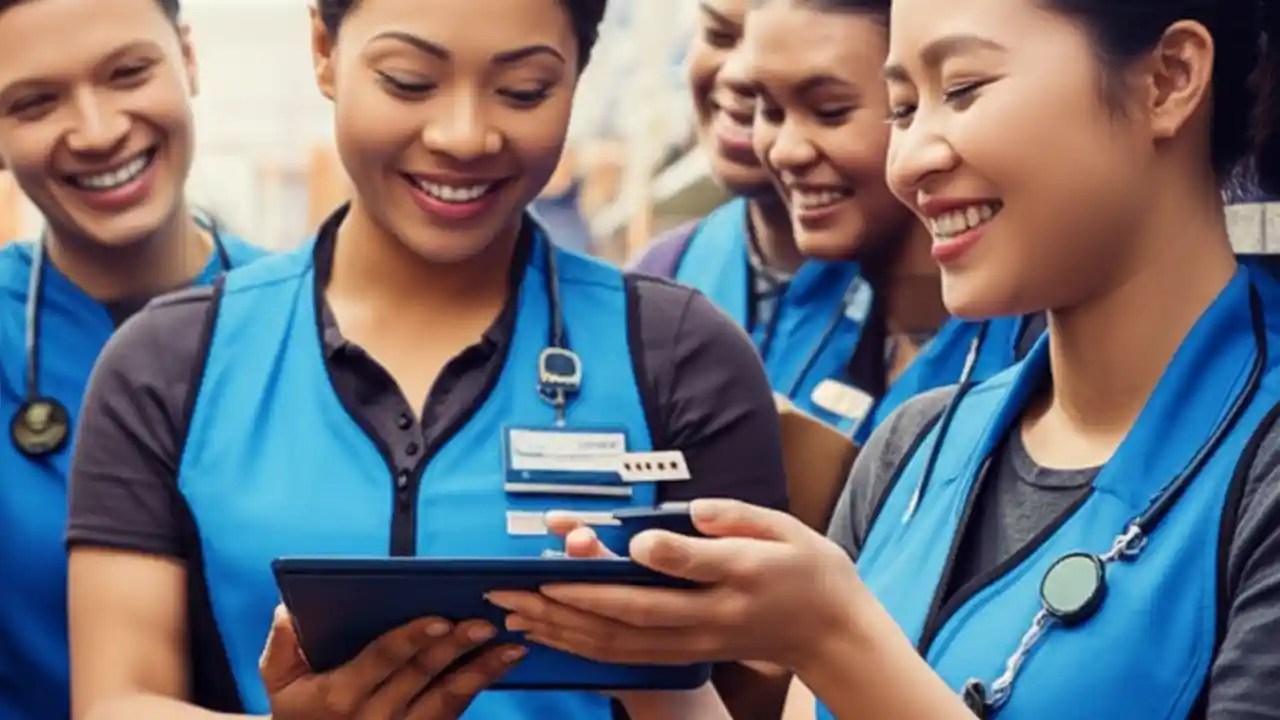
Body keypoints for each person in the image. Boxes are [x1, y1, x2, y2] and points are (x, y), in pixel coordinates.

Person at [487, 0, 1280, 718]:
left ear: (1169, 79)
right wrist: (651, 667)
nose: (909, 161)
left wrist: (834, 642)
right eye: (902, 107)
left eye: (962, 88)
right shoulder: (915, 448)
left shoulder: (1261, 470)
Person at [64, 0, 787, 718]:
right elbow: (118, 702)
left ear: (578, 76)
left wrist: (650, 665)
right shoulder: (168, 365)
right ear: (324, 50)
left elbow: (759, 693)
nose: (463, 137)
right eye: (409, 81)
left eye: (524, 90)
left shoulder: (682, 358)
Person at [0, 1, 265, 717]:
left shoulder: (315, 324)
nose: (97, 131)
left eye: (128, 73)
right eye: (35, 102)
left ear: (189, 59)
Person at [631, 0, 869, 432]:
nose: (741, 74)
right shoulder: (662, 276)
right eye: (719, 35)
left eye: (831, 108)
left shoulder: (935, 308)